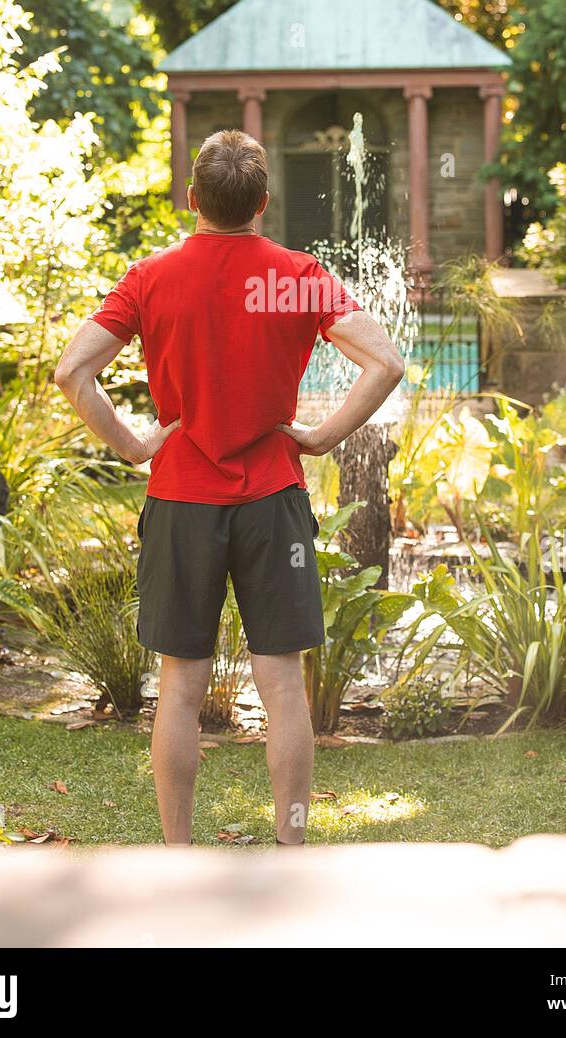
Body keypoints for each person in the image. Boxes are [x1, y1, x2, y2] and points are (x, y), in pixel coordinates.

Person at [55, 129, 404, 845]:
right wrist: (322, 435)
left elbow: (71, 372)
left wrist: (135, 445)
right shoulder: (296, 275)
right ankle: (291, 847)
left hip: (180, 499)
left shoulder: (151, 276)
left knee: (180, 686)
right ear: (263, 203)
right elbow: (386, 363)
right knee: (281, 687)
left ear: (193, 200)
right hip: (273, 500)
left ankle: (179, 855)